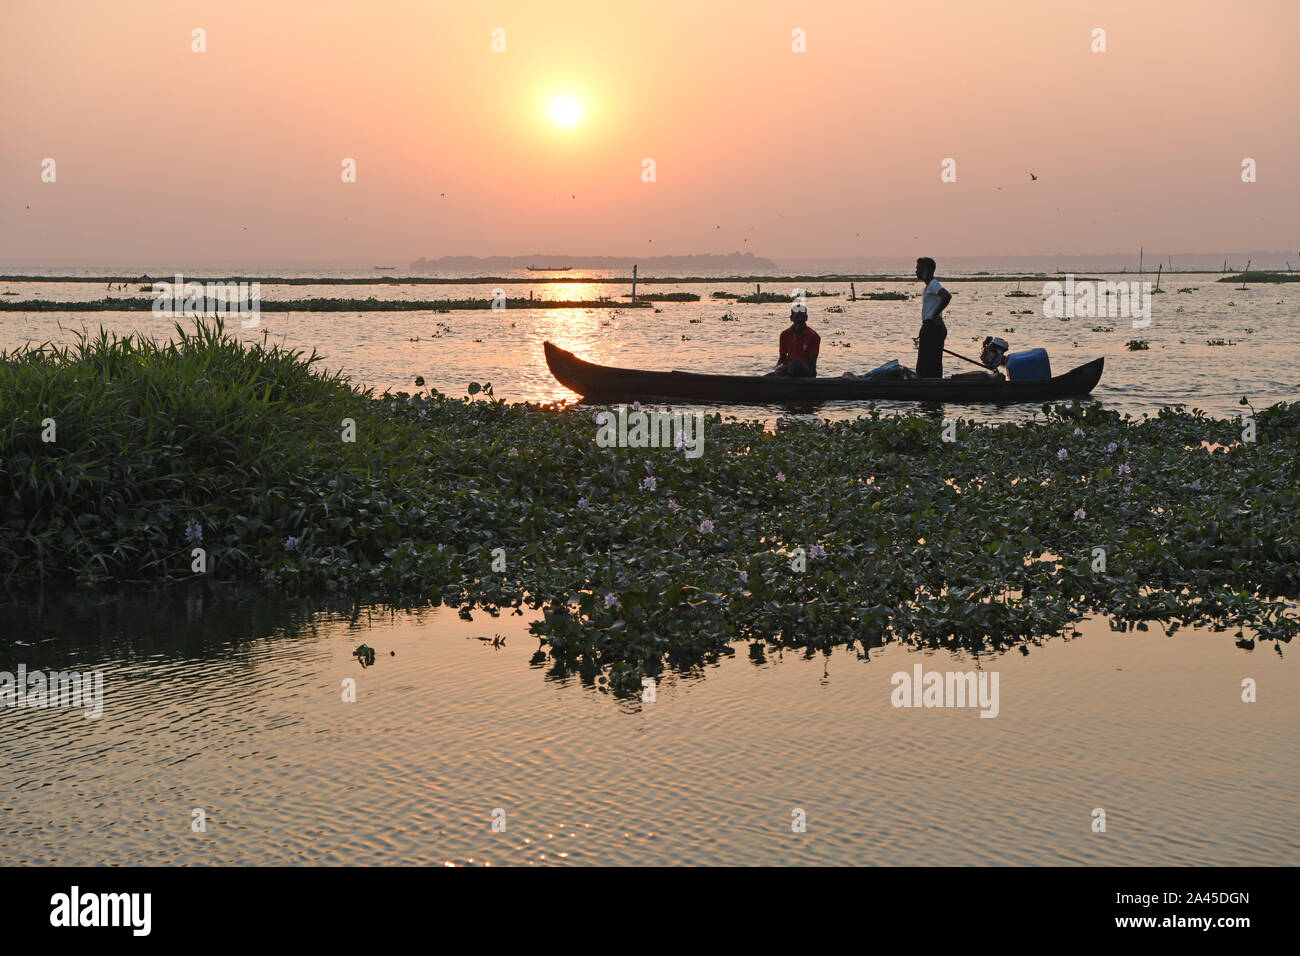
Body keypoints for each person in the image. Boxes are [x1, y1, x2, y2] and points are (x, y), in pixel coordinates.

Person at [915, 257, 952, 378]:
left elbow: (946, 296)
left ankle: (931, 385)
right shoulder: (928, 286)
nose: (916, 271)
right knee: (928, 361)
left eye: (919, 269)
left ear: (928, 270)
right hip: (930, 326)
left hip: (932, 327)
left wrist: (935, 314)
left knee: (929, 361)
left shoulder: (933, 284)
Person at [771, 303, 820, 377]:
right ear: (791, 318)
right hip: (788, 369)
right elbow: (782, 358)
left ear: (806, 318)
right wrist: (778, 369)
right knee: (765, 378)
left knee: (796, 363)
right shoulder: (785, 334)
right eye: (796, 317)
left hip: (807, 370)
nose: (799, 320)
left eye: (802, 317)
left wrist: (789, 367)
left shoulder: (814, 336)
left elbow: (812, 363)